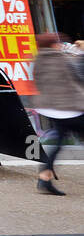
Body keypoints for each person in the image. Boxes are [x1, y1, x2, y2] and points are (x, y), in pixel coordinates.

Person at [30, 34, 84, 196]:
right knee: (64, 140)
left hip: (50, 108)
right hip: (69, 108)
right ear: (54, 45)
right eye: (58, 43)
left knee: (59, 142)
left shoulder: (37, 61)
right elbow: (80, 77)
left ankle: (44, 178)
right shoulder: (63, 60)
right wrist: (80, 54)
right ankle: (44, 176)